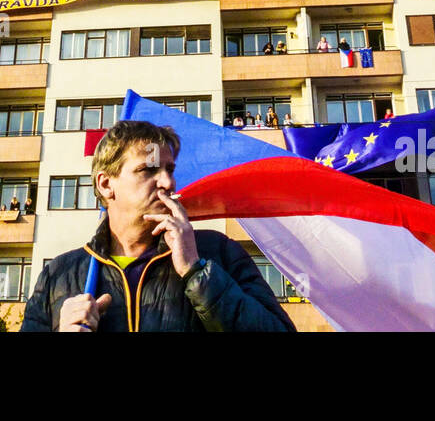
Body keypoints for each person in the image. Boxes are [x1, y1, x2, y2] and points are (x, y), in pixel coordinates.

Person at [20, 121, 295, 332]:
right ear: (106, 184)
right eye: (148, 170)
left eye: (170, 170)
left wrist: (196, 273)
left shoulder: (218, 252)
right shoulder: (58, 274)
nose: (168, 183)